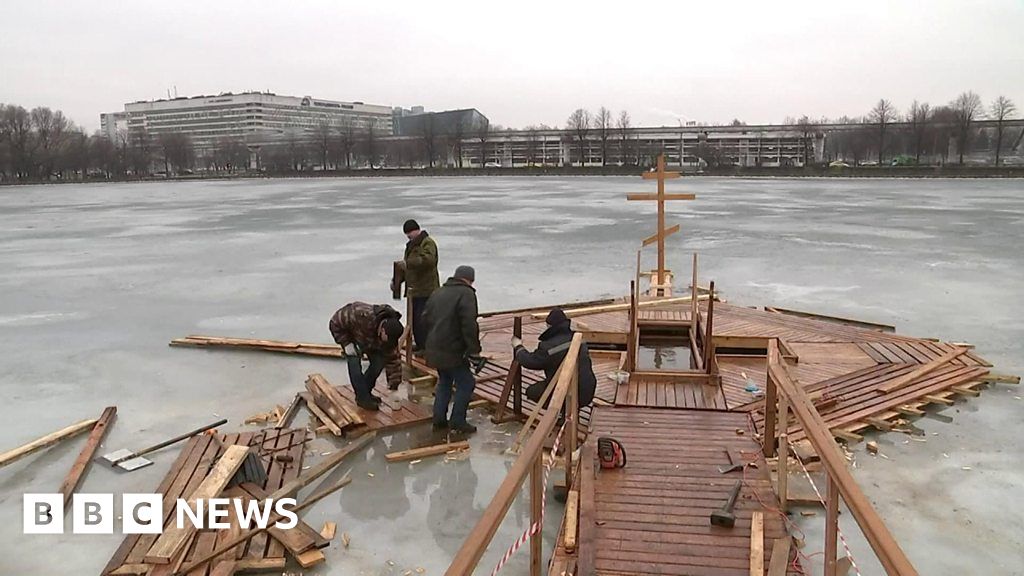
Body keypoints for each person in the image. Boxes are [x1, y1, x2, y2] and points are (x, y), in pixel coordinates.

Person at [422, 265, 482, 434]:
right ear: (470, 280)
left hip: (434, 348)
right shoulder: (466, 294)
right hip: (453, 350)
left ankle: (439, 419)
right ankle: (458, 421)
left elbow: (425, 319)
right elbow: (469, 324)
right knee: (466, 383)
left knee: (445, 381)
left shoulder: (438, 292)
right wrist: (473, 351)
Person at [512, 307, 597, 410]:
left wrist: (518, 347)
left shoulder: (548, 347)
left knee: (532, 392)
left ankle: (560, 411)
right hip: (587, 391)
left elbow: (531, 362)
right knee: (569, 382)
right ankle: (570, 410)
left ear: (549, 326)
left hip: (567, 393)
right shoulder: (578, 338)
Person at [328, 302, 405, 411]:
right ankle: (362, 399)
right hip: (351, 337)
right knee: (354, 364)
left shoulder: (390, 336)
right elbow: (334, 323)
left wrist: (394, 388)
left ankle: (365, 393)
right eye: (388, 340)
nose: (389, 343)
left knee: (379, 363)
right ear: (383, 330)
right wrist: (346, 343)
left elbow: (394, 361)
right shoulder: (362, 315)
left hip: (370, 341)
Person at [401, 219, 440, 354]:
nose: (408, 236)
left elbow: (428, 260)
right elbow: (407, 267)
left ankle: (426, 347)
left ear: (416, 230)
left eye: (409, 233)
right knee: (415, 320)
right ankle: (419, 344)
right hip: (414, 290)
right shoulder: (411, 245)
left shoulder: (428, 243)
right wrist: (398, 280)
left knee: (424, 320)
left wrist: (410, 263)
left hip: (427, 290)